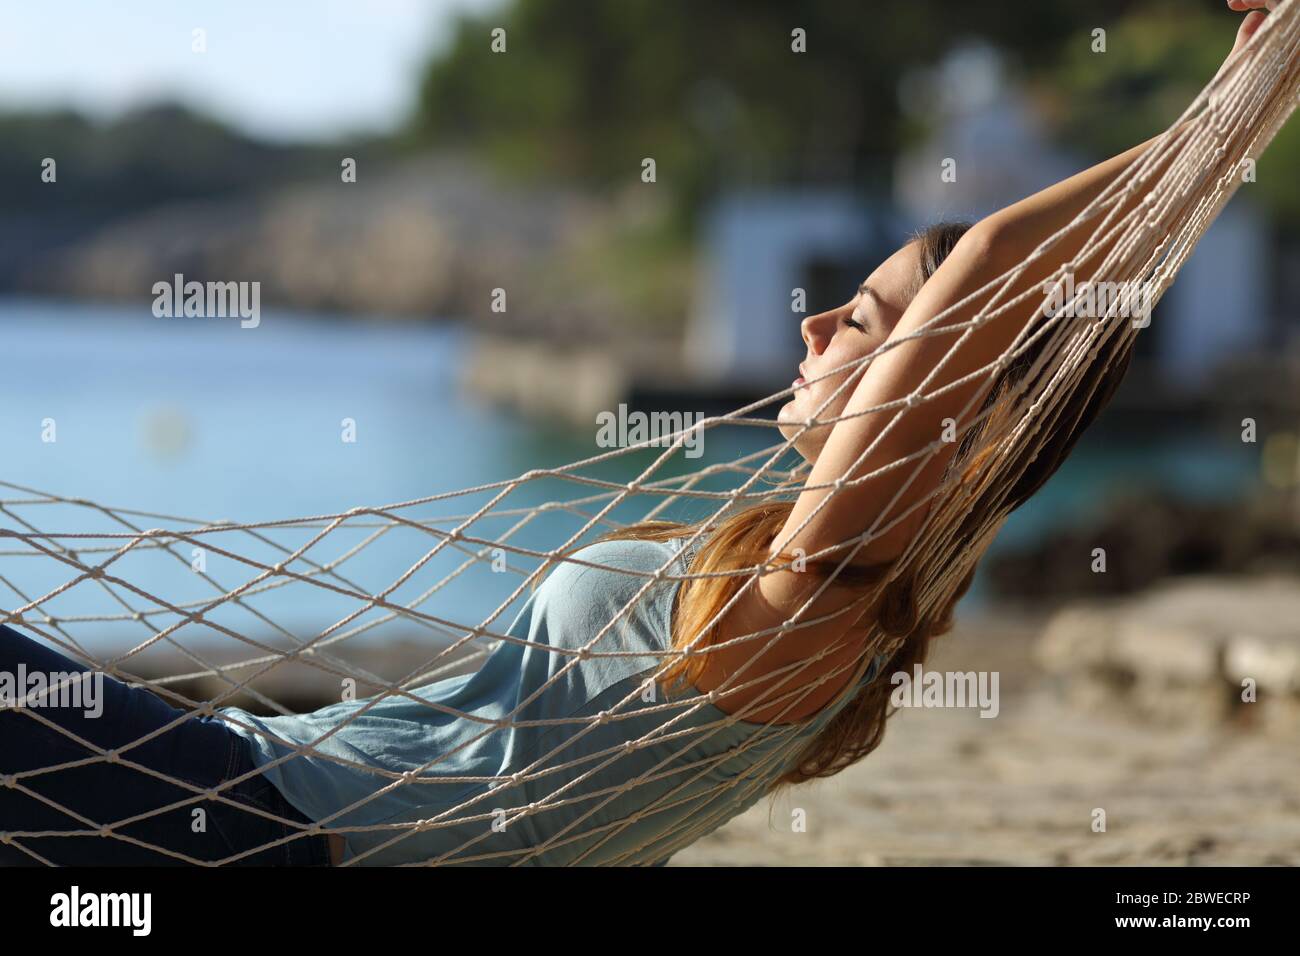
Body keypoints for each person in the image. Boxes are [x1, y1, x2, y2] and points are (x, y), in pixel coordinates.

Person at [0, 1, 1275, 867]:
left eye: (876, 317)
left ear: (947, 409)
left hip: (244, 822)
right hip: (232, 781)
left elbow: (993, 260)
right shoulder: (804, 594)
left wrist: (1242, 102)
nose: (822, 314)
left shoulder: (818, 603)